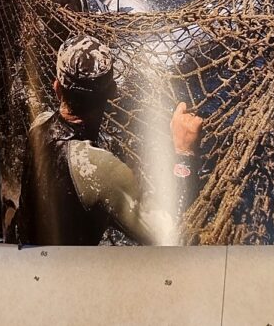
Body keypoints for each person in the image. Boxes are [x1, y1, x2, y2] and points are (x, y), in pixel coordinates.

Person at [13, 35, 205, 246]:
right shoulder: (99, 169)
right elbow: (171, 232)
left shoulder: (38, 126)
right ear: (112, 92)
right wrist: (183, 151)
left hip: (22, 245)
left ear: (57, 88)